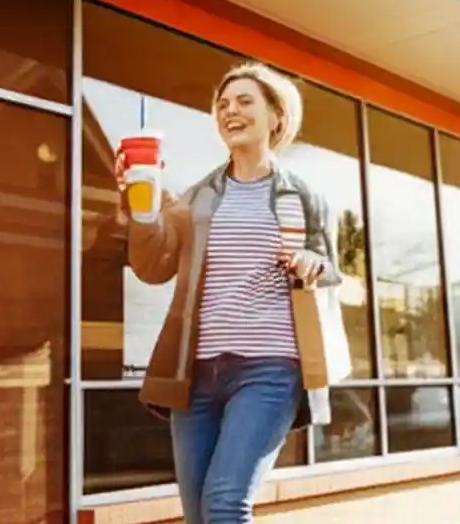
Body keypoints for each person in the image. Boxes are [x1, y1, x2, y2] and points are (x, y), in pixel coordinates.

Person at [117, 62, 349, 523]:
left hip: (269, 369)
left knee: (224, 503)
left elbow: (329, 269)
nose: (230, 111)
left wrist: (311, 263)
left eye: (245, 101)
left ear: (276, 117)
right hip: (196, 371)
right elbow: (153, 265)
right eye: (222, 104)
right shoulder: (197, 197)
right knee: (197, 513)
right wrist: (142, 209)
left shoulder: (302, 196)